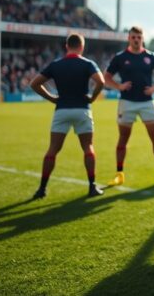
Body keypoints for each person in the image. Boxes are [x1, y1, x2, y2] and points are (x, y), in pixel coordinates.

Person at [29, 33, 104, 199]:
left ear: (66, 46)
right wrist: (92, 97)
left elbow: (34, 83)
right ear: (82, 47)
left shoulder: (56, 64)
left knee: (53, 149)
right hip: (82, 109)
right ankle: (92, 187)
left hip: (61, 110)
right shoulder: (87, 63)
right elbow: (101, 81)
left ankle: (41, 189)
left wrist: (52, 98)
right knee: (88, 147)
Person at [104, 26, 154, 186]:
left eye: (139, 37)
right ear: (129, 38)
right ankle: (119, 173)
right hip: (126, 102)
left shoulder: (150, 56)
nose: (136, 39)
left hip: (147, 102)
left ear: (142, 38)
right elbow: (106, 76)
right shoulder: (120, 57)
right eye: (133, 37)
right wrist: (118, 86)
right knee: (123, 138)